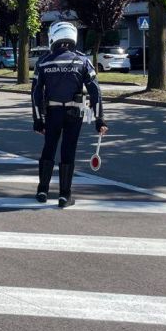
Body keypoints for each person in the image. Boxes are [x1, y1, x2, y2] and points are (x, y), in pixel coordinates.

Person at [31, 22, 108, 208]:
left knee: (48, 148)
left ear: (53, 37)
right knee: (68, 151)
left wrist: (38, 120)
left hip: (52, 112)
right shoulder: (83, 61)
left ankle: (42, 190)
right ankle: (65, 196)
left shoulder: (43, 61)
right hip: (75, 113)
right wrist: (100, 119)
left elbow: (35, 93)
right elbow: (96, 91)